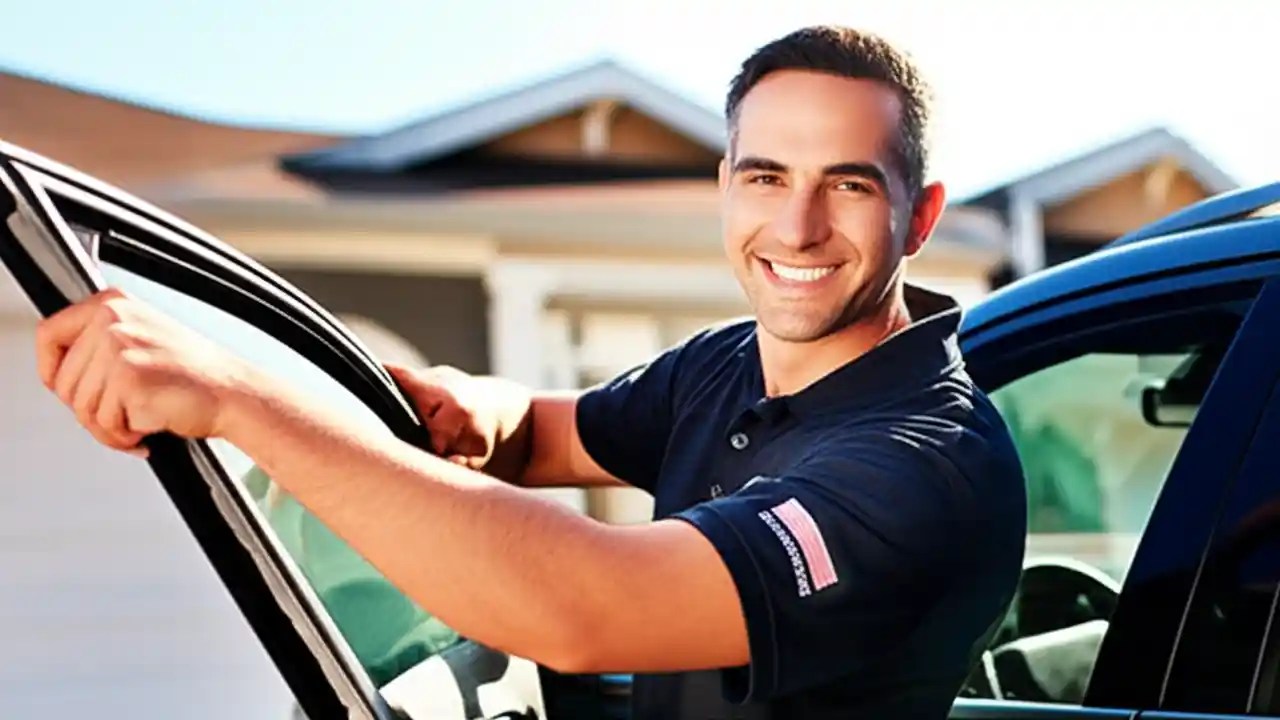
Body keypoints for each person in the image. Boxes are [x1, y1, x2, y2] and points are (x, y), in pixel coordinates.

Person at [34, 25, 1027, 720]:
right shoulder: (728, 364)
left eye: (847, 185)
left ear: (920, 215)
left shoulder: (922, 466)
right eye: (765, 177)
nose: (796, 227)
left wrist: (236, 397)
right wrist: (474, 409)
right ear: (726, 188)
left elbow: (584, 607)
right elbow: (548, 433)